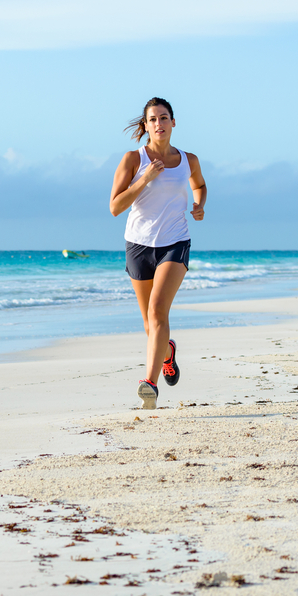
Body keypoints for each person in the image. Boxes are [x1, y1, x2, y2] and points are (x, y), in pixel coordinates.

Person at [109, 97, 207, 409]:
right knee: (150, 325)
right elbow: (115, 207)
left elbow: (200, 185)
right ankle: (168, 353)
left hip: (175, 242)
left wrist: (199, 204)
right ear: (146, 125)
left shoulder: (188, 160)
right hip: (138, 245)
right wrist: (145, 179)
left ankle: (149, 382)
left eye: (164, 118)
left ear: (173, 123)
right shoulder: (132, 160)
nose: (159, 124)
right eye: (153, 119)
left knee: (157, 311)